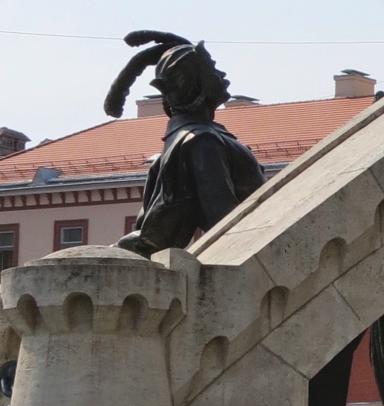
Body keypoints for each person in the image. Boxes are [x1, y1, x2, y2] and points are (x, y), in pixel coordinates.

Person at [104, 31, 264, 254]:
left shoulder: (193, 137)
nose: (222, 74)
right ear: (196, 84)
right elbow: (224, 218)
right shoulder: (203, 141)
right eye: (213, 69)